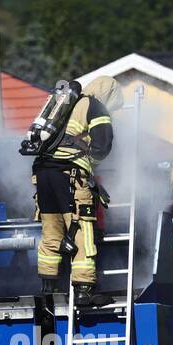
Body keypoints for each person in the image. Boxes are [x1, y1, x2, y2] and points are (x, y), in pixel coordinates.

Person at [33, 77, 124, 307]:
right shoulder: (95, 106)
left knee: (51, 230)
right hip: (70, 175)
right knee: (82, 229)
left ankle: (48, 290)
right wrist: (90, 163)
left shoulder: (66, 104)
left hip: (42, 173)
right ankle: (84, 291)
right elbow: (103, 145)